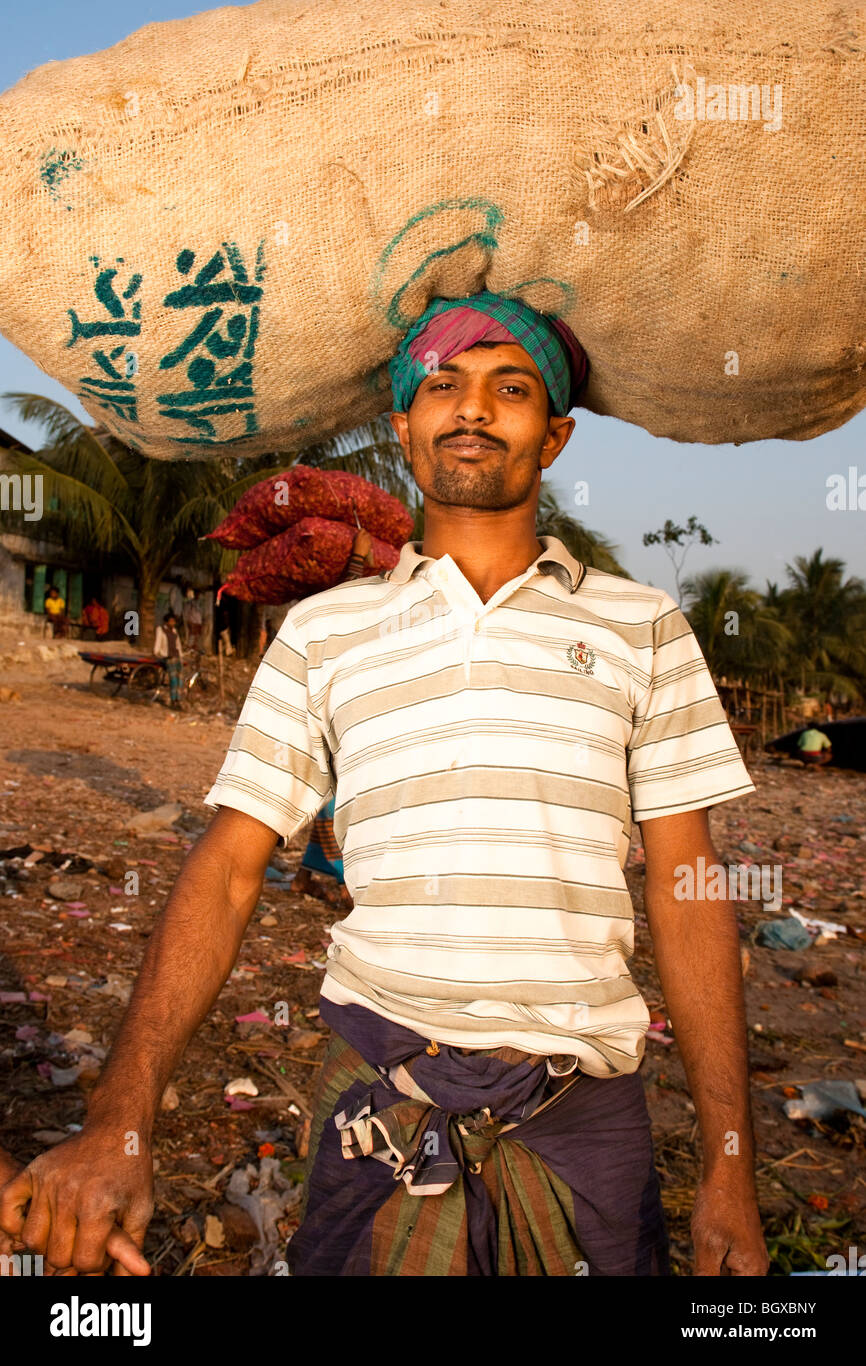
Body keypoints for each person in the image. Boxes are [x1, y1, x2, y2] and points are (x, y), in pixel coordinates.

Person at [0, 289, 768, 1280]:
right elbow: (230, 870)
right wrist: (121, 1122)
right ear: (403, 428)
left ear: (556, 435)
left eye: (510, 387)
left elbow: (683, 884)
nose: (473, 408)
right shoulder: (325, 634)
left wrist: (730, 1162)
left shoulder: (641, 626)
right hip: (376, 1099)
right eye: (440, 385)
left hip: (587, 1117)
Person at [290, 528, 376, 907]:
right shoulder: (332, 612)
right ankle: (346, 885)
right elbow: (345, 610)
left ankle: (304, 876)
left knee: (329, 801)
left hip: (330, 710)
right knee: (336, 804)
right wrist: (358, 558)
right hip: (331, 713)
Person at [153, 613, 184, 709]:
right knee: (173, 679)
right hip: (168, 657)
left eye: (174, 621)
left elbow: (178, 645)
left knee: (180, 679)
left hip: (176, 657)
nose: (173, 623)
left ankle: (178, 699)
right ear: (166, 622)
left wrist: (181, 656)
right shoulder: (161, 630)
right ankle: (173, 699)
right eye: (171, 621)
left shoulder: (174, 631)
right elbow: (158, 643)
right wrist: (157, 653)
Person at [183, 587, 204, 653]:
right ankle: (189, 648)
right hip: (192, 621)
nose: (198, 595)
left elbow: (201, 613)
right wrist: (188, 621)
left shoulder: (200, 603)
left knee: (198, 635)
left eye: (199, 594)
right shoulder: (190, 602)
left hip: (199, 621)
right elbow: (186, 612)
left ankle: (196, 649)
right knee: (192, 635)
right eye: (197, 593)